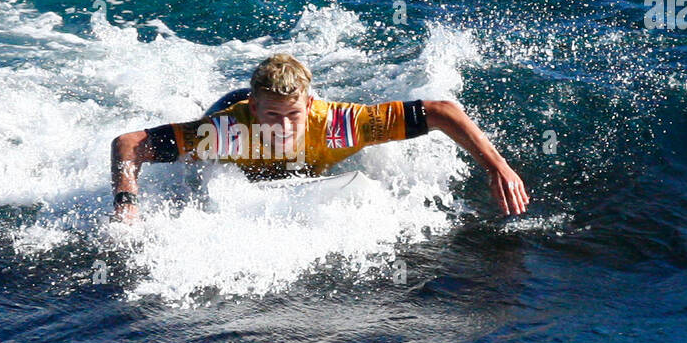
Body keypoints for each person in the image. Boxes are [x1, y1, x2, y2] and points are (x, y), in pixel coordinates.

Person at [110, 53, 529, 223]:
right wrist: (127, 201)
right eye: (272, 116)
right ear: (256, 110)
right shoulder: (224, 132)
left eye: (292, 115)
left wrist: (499, 167)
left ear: (309, 106)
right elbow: (127, 144)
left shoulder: (341, 125)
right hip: (231, 116)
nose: (282, 126)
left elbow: (442, 112)